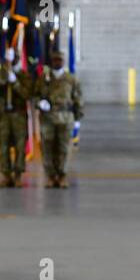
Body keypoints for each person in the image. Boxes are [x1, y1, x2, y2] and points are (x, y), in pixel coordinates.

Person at [35, 49, 84, 188]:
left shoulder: (71, 79)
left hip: (66, 117)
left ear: (64, 62)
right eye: (55, 60)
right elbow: (35, 94)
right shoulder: (44, 79)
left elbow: (78, 99)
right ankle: (51, 176)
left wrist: (78, 119)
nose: (57, 62)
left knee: (64, 148)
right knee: (47, 148)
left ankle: (62, 175)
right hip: (48, 118)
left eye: (60, 60)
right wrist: (40, 103)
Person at [0, 49, 32, 187]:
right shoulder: (1, 74)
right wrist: (4, 76)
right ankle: (6, 175)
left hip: (18, 114)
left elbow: (27, 94)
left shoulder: (23, 76)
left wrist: (15, 82)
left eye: (12, 59)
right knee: (3, 145)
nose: (9, 62)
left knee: (20, 146)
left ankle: (18, 174)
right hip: (3, 115)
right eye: (7, 59)